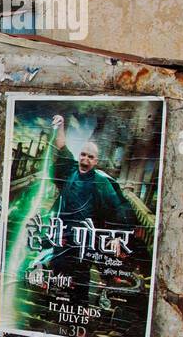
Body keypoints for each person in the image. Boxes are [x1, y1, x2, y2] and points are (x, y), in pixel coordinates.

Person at [49, 114, 138, 308]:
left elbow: (121, 207)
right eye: (83, 155)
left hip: (84, 239)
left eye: (90, 157)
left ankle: (80, 308)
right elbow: (62, 148)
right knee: (57, 269)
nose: (85, 159)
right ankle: (56, 304)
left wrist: (117, 236)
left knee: (80, 275)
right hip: (63, 233)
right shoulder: (71, 171)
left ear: (95, 161)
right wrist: (61, 125)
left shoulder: (101, 182)